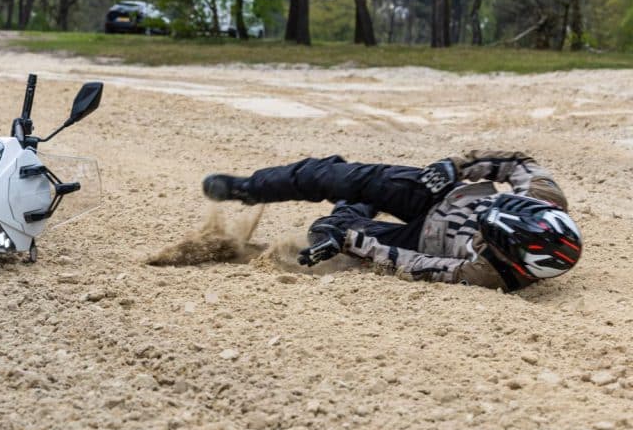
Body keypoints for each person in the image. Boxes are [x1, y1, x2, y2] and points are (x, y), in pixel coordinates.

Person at [202, 151, 582, 291]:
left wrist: (350, 241)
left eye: (484, 226)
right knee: (340, 177)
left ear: (504, 251)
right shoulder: (545, 195)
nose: (478, 218)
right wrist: (458, 166)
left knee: (329, 231)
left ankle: (352, 210)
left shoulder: (485, 274)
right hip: (436, 192)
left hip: (419, 239)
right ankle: (250, 188)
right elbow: (515, 161)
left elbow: (414, 264)